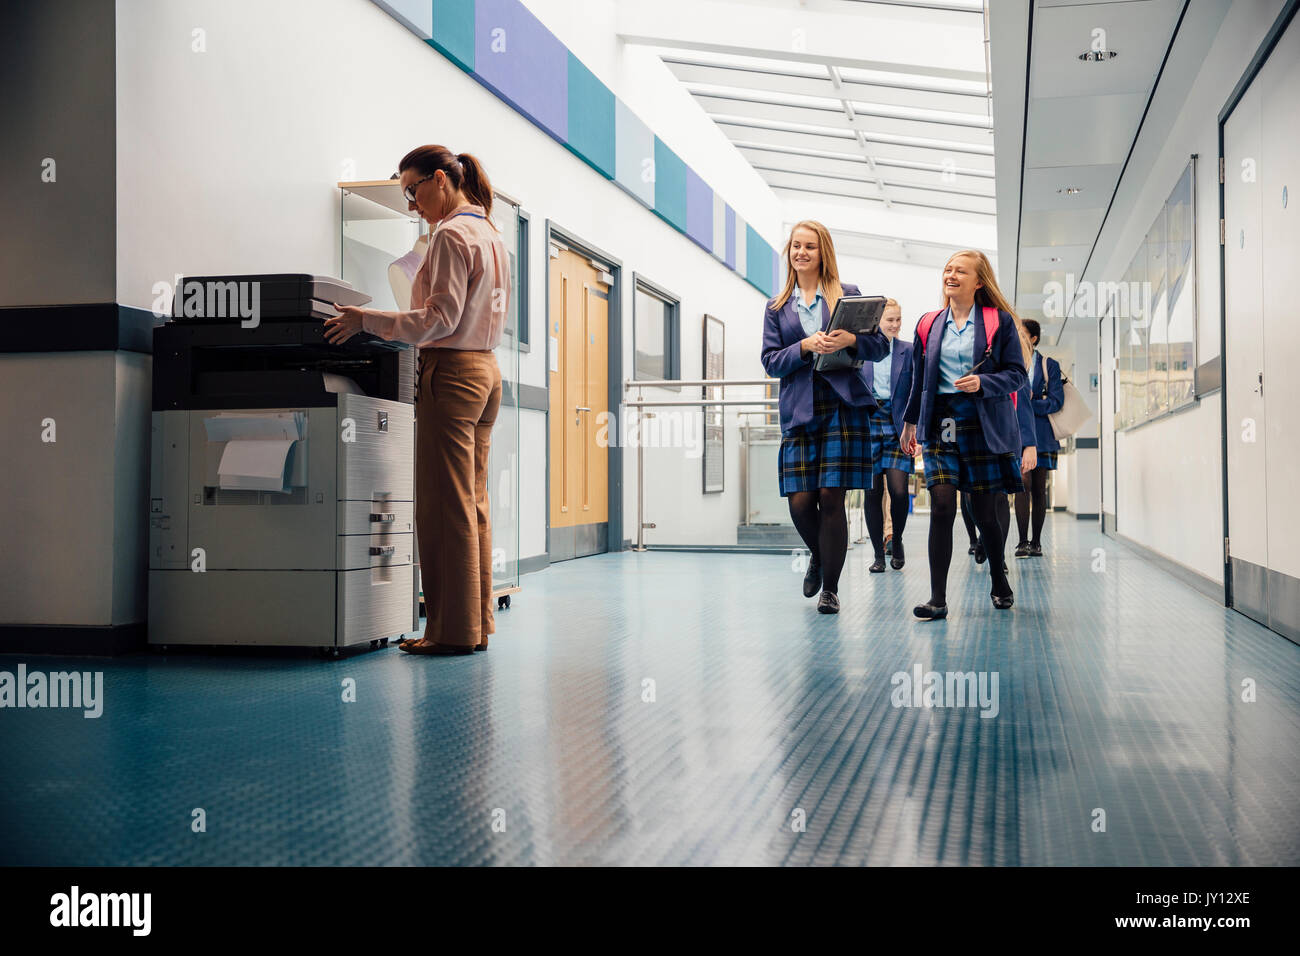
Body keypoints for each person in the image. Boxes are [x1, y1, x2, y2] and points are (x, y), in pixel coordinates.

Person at [325, 144, 509, 655]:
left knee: (441, 507)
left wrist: (367, 320)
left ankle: (449, 634)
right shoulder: (490, 231)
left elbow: (439, 318)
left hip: (451, 373)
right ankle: (475, 626)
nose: (411, 203)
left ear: (440, 181)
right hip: (487, 372)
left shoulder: (450, 234)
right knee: (471, 504)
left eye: (413, 189)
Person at [760, 220, 890, 614]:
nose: (801, 253)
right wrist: (802, 345)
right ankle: (819, 553)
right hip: (800, 409)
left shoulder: (847, 296)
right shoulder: (777, 308)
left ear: (823, 253)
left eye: (809, 247)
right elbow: (770, 361)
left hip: (843, 407)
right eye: (796, 246)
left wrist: (853, 339)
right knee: (800, 502)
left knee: (832, 497)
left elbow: (880, 346)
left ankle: (830, 589)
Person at [899, 250, 1030, 620]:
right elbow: (918, 381)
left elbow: (1017, 374)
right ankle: (937, 599)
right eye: (947, 269)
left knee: (985, 511)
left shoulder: (997, 322)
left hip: (982, 424)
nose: (951, 275)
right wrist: (910, 423)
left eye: (961, 271)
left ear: (979, 282)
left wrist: (984, 382)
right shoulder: (928, 323)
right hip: (942, 424)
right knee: (941, 504)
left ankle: (998, 579)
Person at [864, 298, 913, 573]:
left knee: (898, 491)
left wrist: (914, 427)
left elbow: (917, 392)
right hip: (868, 422)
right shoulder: (862, 350)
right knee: (872, 493)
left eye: (898, 319)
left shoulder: (908, 350)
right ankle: (878, 554)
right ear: (877, 322)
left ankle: (898, 539)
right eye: (889, 320)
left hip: (898, 425)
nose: (895, 325)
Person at [1014, 319, 1063, 558]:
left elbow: (1056, 401)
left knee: (1039, 488)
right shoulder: (1013, 363)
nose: (1018, 339)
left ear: (1033, 338)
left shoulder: (1048, 365)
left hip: (1043, 435)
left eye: (1023, 335)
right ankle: (1022, 541)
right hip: (1018, 433)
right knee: (1023, 483)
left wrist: (1028, 403)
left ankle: (1036, 541)